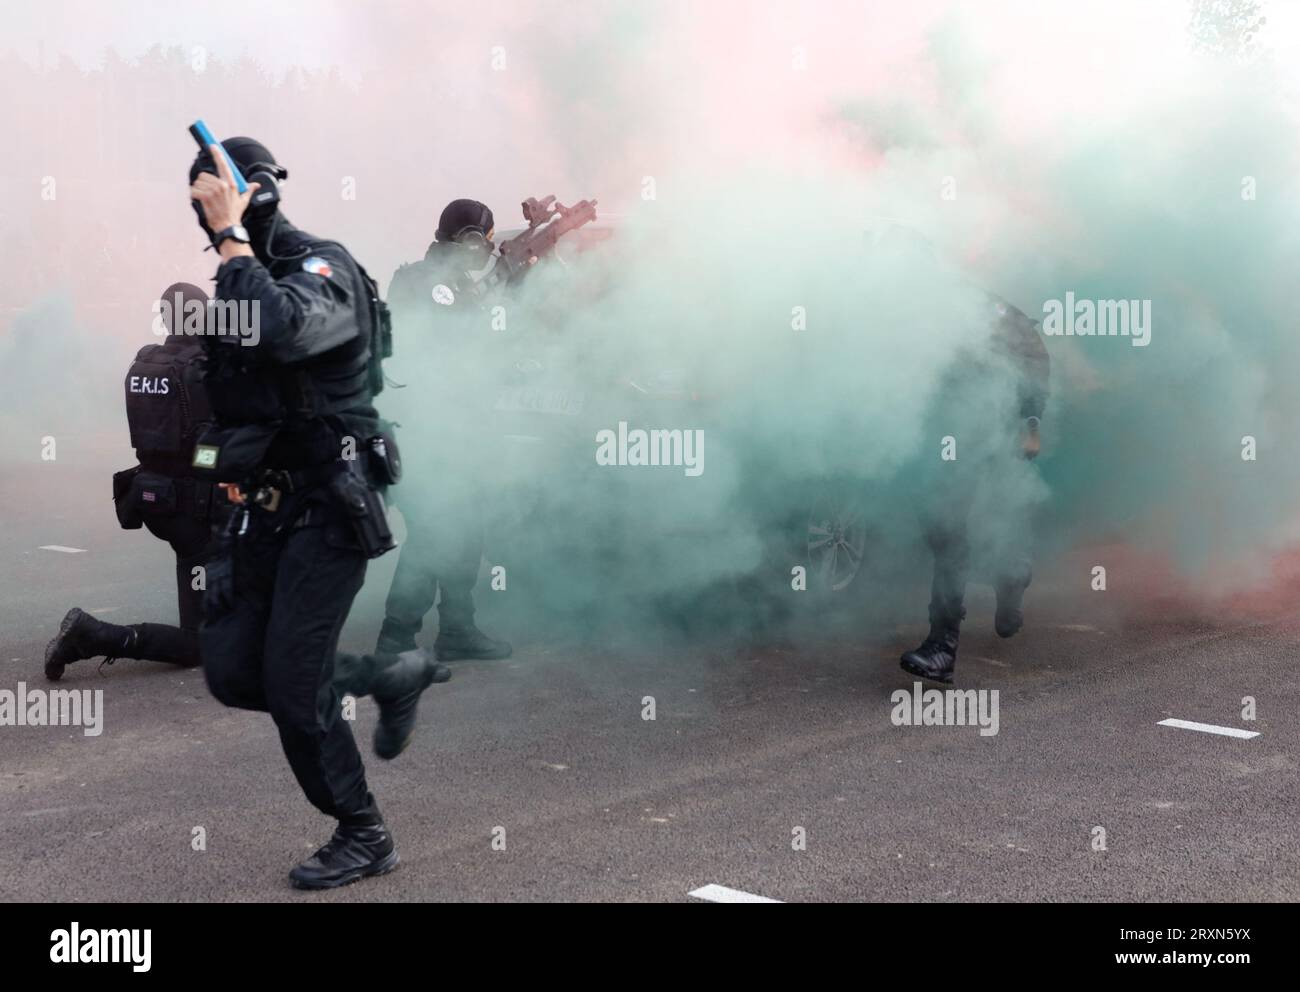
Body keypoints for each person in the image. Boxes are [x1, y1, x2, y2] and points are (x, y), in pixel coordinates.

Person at [188, 134, 445, 889]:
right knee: (236, 672)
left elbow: (287, 330)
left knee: (295, 689)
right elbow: (235, 397)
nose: (206, 215)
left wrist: (234, 241)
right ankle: (389, 676)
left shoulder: (315, 266)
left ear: (253, 192)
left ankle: (364, 833)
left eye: (217, 196)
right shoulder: (243, 278)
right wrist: (219, 466)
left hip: (331, 506)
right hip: (266, 505)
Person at [44, 282, 225, 680]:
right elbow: (209, 446)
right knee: (201, 643)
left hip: (154, 497)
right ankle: (94, 636)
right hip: (193, 508)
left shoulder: (145, 363)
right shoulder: (202, 371)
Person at [374, 198, 513, 663]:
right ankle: (397, 636)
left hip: (451, 432)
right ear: (469, 239)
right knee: (436, 533)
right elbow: (461, 343)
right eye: (482, 242)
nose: (485, 252)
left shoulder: (433, 281)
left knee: (465, 530)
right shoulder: (432, 285)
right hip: (430, 433)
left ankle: (457, 628)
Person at [899, 294, 1049, 684]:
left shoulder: (982, 305)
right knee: (940, 527)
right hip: (947, 431)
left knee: (968, 526)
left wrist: (1031, 423)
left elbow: (1033, 354)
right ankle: (1007, 580)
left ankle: (944, 645)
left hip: (993, 428)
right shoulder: (900, 312)